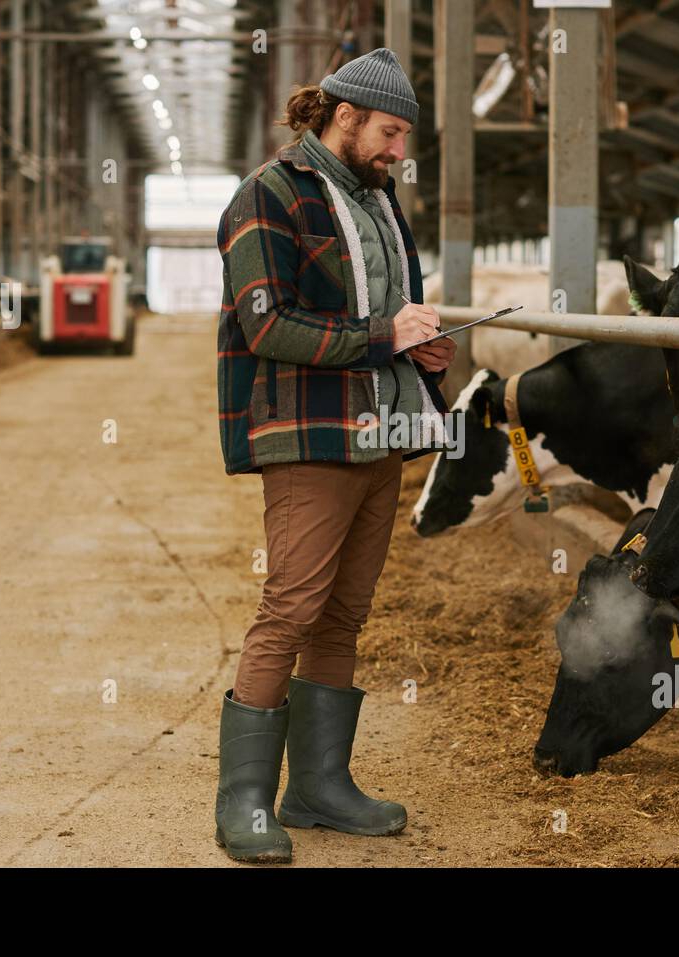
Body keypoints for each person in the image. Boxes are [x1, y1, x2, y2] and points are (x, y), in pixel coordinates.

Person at [214, 47, 457, 864]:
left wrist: (423, 348)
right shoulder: (268, 195)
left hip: (381, 428)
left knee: (346, 612)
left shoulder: (381, 202)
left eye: (404, 138)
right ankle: (243, 801)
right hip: (309, 433)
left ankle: (319, 784)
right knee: (291, 605)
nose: (398, 151)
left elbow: (391, 310)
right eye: (390, 133)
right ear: (344, 116)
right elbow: (266, 324)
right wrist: (381, 335)